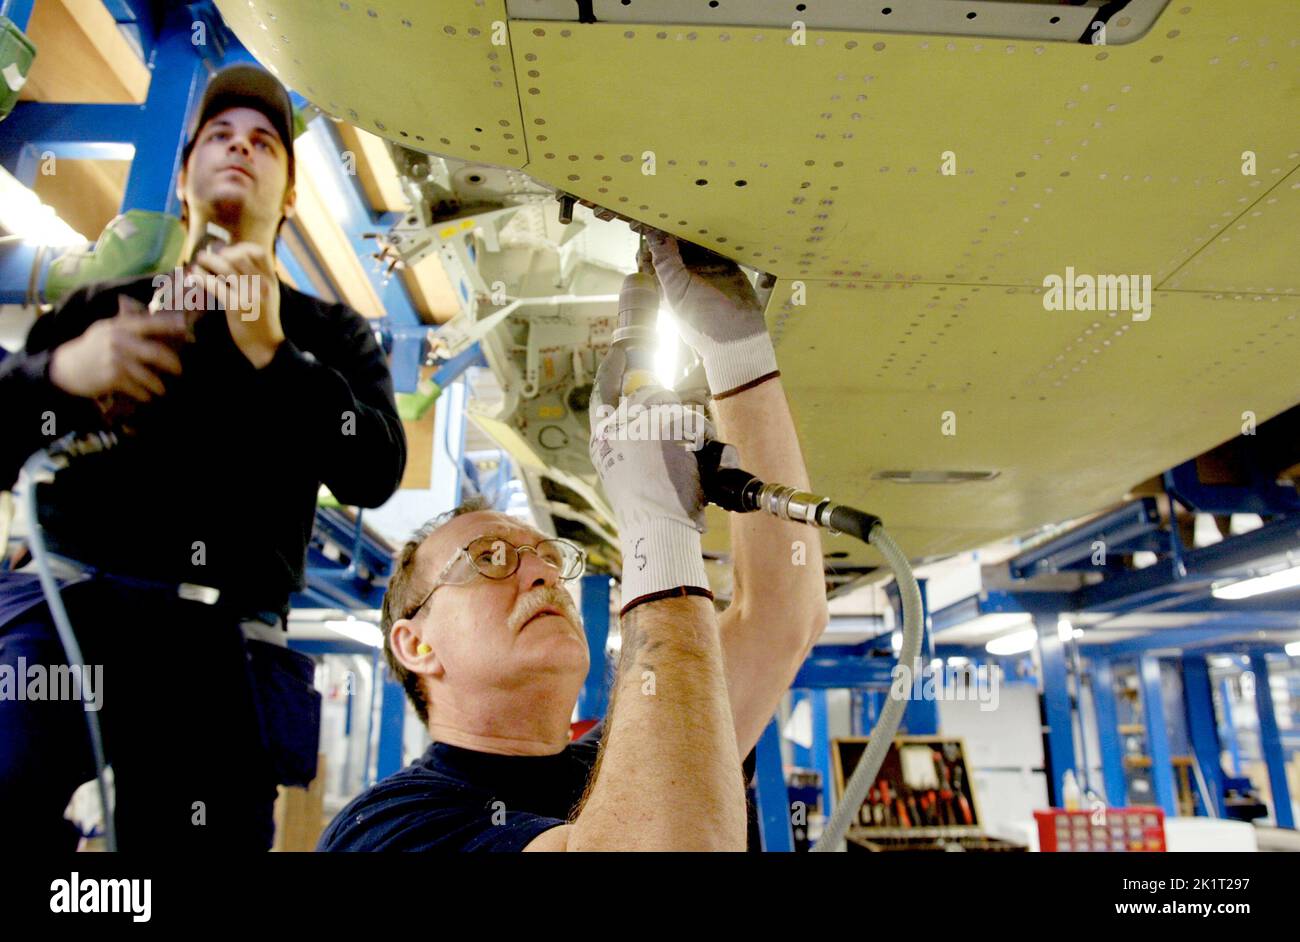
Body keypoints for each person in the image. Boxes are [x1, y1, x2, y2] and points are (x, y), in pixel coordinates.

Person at [0, 64, 406, 850]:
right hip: (67, 611)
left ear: (289, 196)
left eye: (263, 142)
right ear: (183, 176)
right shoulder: (99, 312)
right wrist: (61, 374)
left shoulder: (330, 336)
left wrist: (275, 355)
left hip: (221, 642)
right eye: (219, 136)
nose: (240, 149)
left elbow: (375, 472)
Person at [318, 229, 826, 851]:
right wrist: (657, 532)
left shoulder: (613, 766)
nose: (541, 573)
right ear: (415, 642)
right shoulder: (388, 830)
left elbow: (779, 617)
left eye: (549, 557)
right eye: (491, 558)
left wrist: (738, 355)